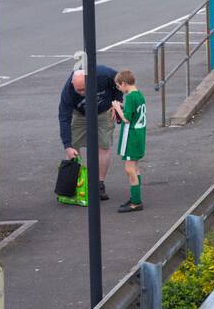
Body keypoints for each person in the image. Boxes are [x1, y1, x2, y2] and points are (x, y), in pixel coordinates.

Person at [58, 65, 122, 201]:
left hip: (104, 111)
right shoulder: (68, 91)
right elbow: (64, 118)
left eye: (84, 89)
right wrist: (67, 145)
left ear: (90, 81)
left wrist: (117, 103)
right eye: (78, 90)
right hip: (81, 113)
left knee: (103, 145)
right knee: (73, 145)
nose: (81, 92)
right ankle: (76, 182)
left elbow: (119, 82)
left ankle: (99, 184)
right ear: (72, 83)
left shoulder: (104, 75)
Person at [111, 70, 148, 213]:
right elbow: (134, 112)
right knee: (135, 167)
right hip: (139, 134)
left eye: (119, 86)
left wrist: (116, 108)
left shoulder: (131, 97)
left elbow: (126, 118)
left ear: (124, 83)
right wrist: (122, 107)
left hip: (132, 136)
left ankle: (136, 202)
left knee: (129, 169)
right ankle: (134, 197)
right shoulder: (139, 94)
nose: (119, 88)